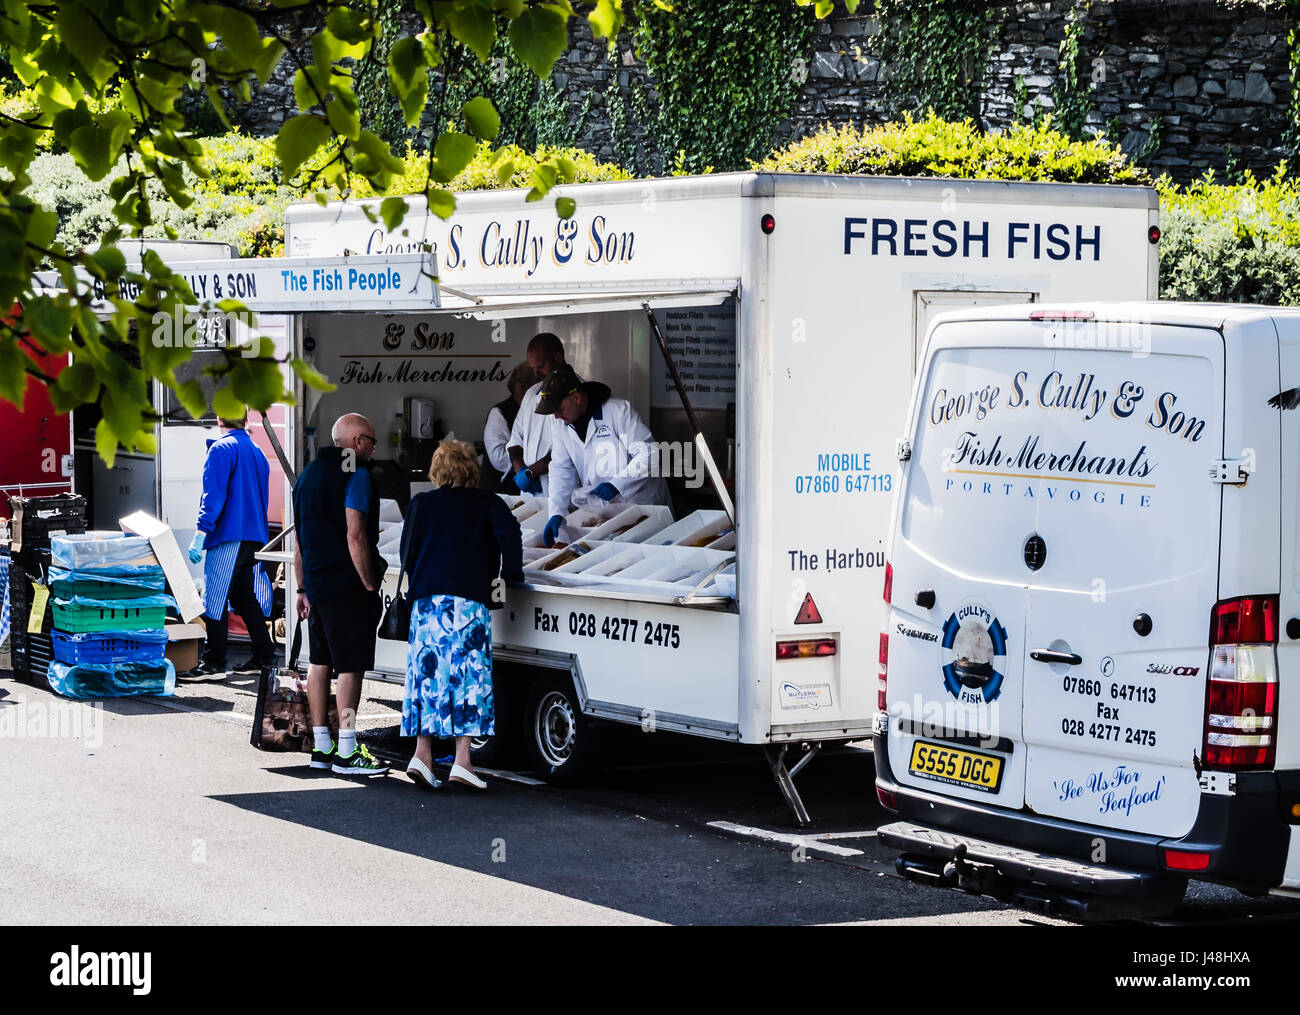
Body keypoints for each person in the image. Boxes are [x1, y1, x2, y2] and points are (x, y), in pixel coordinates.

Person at [400, 440, 523, 791]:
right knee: (467, 678)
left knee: (427, 676)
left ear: (437, 470)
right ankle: (462, 761)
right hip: (468, 601)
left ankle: (422, 755)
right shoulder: (487, 502)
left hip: (425, 602)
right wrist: (510, 575)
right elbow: (510, 535)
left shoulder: (421, 504)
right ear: (472, 469)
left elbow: (406, 552)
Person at [293, 412, 389, 776]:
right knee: (350, 667)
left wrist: (302, 588)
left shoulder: (307, 476)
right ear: (357, 441)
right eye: (371, 441)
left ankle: (321, 747)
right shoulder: (357, 474)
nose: (373, 448)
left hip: (317, 586)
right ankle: (347, 751)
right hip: (347, 586)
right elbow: (355, 534)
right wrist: (368, 582)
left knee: (319, 663)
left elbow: (300, 540)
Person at [537, 365, 671, 547]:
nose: (556, 416)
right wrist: (556, 512)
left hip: (641, 504)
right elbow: (561, 467)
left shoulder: (618, 411)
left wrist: (617, 484)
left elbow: (649, 453)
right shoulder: (561, 424)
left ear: (576, 397)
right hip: (604, 511)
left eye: (559, 409)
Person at [186, 410, 276, 677]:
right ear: (246, 420)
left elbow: (212, 496)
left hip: (228, 534)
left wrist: (201, 531)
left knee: (214, 597)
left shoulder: (221, 449)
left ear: (219, 420)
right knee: (243, 597)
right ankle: (264, 656)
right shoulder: (258, 451)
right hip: (254, 535)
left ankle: (214, 662)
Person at [505, 332, 567, 497]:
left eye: (540, 367)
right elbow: (515, 439)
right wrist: (520, 470)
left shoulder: (575, 392)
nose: (536, 373)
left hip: (561, 490)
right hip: (529, 494)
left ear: (558, 358)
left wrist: (531, 472)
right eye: (533, 368)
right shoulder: (532, 393)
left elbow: (568, 448)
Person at [483, 362, 537, 492]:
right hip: (501, 491)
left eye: (531, 387)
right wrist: (534, 463)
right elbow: (499, 457)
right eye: (522, 386)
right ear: (513, 385)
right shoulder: (499, 413)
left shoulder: (538, 412)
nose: (525, 392)